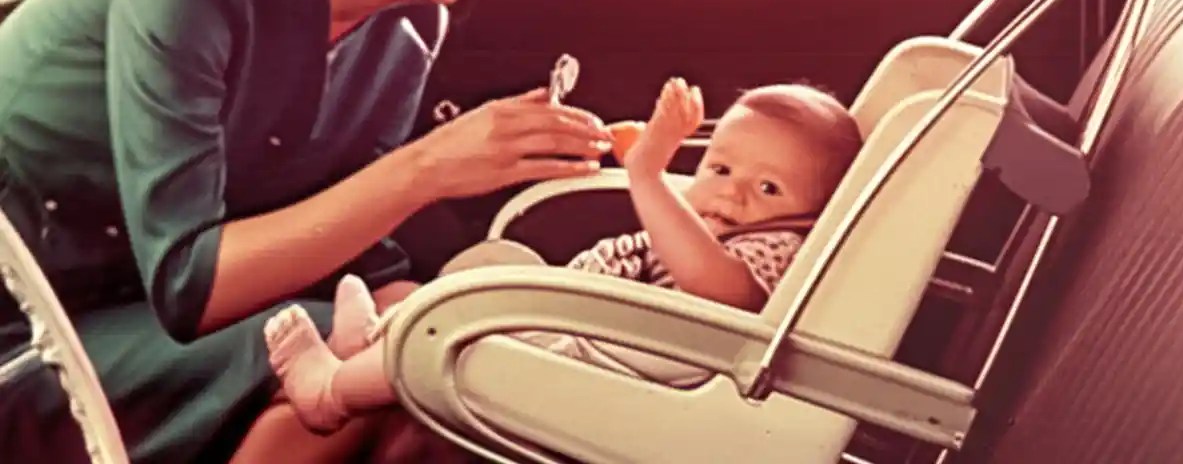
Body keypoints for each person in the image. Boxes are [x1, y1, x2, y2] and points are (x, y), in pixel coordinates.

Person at [0, 0, 604, 462]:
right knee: (354, 379)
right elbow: (191, 284)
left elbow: (344, 235)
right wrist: (433, 166)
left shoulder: (408, 25)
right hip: (35, 329)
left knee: (436, 375)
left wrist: (452, 311)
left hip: (149, 321)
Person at [261, 78, 864, 434]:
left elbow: (720, 292)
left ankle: (333, 392)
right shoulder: (731, 222)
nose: (731, 193)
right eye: (721, 168)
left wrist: (649, 176)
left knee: (461, 327)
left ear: (814, 211)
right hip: (600, 328)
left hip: (630, 359)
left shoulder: (780, 248)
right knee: (491, 265)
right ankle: (372, 343)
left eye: (768, 188)